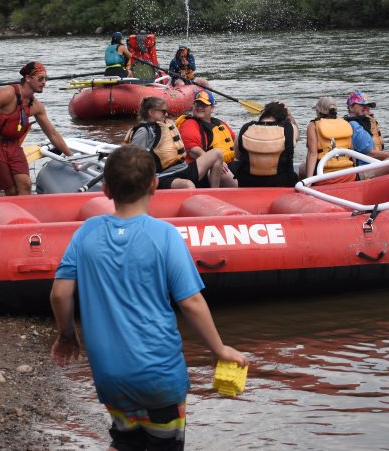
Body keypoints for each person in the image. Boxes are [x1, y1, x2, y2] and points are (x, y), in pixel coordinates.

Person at [50, 145, 247, 451]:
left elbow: (60, 294)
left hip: (109, 376)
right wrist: (219, 349)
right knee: (163, 443)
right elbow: (191, 302)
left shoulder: (86, 232)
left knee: (126, 440)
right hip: (159, 375)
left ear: (105, 189)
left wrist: (68, 337)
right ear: (155, 185)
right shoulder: (164, 235)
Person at [0, 61, 76, 195]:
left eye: (46, 78)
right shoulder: (6, 94)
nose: (44, 82)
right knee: (11, 190)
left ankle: (26, 213)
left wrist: (71, 157)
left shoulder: (36, 106)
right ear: (28, 78)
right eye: (40, 78)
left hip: (13, 145)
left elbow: (52, 134)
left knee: (26, 183)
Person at [124, 96, 229, 189]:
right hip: (164, 176)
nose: (166, 114)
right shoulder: (144, 131)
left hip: (183, 169)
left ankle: (214, 191)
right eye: (163, 111)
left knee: (217, 153)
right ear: (151, 112)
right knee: (188, 185)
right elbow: (132, 159)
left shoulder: (165, 125)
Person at [176, 90, 237, 188]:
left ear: (212, 108)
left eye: (204, 105)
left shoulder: (219, 123)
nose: (200, 107)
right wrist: (217, 162)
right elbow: (192, 150)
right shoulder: (189, 124)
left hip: (226, 163)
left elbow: (235, 142)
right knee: (227, 176)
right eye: (197, 104)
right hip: (200, 169)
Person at [233, 101, 299, 187]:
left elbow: (238, 156)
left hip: (248, 182)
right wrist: (290, 116)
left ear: (264, 113)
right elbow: (296, 138)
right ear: (285, 116)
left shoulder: (245, 129)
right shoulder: (290, 129)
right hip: (281, 182)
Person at [300, 96, 355, 182]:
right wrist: (356, 175)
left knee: (302, 168)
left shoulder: (313, 125)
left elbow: (312, 154)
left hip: (325, 177)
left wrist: (308, 182)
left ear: (318, 111)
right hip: (349, 176)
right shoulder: (345, 123)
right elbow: (352, 151)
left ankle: (306, 190)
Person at [344, 92, 389, 162]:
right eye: (362, 105)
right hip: (362, 170)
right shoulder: (353, 125)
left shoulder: (367, 122)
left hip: (372, 164)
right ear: (351, 107)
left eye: (368, 105)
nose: (366, 107)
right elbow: (369, 153)